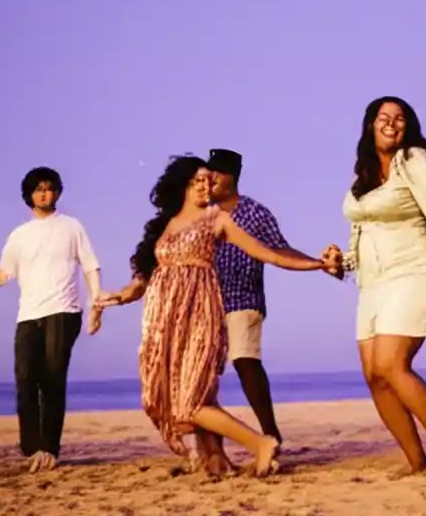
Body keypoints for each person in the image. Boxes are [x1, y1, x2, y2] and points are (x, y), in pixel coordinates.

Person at [97, 155, 333, 478]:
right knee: (183, 396)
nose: (206, 185)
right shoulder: (163, 227)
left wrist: (317, 264)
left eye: (209, 180)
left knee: (192, 401)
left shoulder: (218, 219)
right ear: (183, 184)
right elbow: (143, 279)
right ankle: (215, 456)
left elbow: (268, 253)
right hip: (163, 324)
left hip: (202, 315)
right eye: (199, 180)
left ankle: (261, 442)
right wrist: (120, 296)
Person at [327, 96, 426, 477]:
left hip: (417, 271)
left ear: (407, 126)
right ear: (370, 125)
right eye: (384, 117)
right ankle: (416, 460)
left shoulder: (414, 159)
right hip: (374, 282)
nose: (391, 123)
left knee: (392, 364)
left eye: (399, 118)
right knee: (373, 375)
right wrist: (342, 263)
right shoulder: (363, 176)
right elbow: (360, 230)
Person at [0, 167, 110, 473]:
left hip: (64, 311)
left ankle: (50, 449)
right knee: (25, 381)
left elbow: (90, 266)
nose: (45, 193)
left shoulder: (71, 227)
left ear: (57, 191)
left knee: (52, 381)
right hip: (28, 315)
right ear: (29, 195)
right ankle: (33, 447)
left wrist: (96, 301)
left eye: (49, 188)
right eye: (38, 189)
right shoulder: (19, 235)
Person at [208, 147, 335, 449]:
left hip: (244, 298)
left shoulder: (255, 213)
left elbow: (281, 249)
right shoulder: (201, 212)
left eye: (217, 172)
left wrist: (316, 264)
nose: (211, 178)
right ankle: (213, 446)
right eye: (208, 172)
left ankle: (270, 432)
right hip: (206, 303)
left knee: (245, 361)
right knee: (205, 374)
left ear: (232, 177)